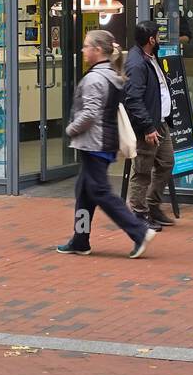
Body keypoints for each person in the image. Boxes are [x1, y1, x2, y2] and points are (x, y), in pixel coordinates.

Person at [57, 30, 157, 259]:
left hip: (95, 143)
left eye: (86, 46)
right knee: (84, 191)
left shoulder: (94, 78)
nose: (83, 50)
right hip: (102, 141)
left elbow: (91, 113)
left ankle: (139, 232)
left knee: (100, 191)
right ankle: (80, 240)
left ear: (98, 50)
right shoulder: (111, 74)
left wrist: (71, 129)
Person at [123, 20, 176, 229]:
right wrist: (147, 127)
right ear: (151, 39)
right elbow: (133, 98)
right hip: (148, 127)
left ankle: (152, 205)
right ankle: (138, 213)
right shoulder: (136, 64)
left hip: (159, 122)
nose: (160, 38)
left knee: (167, 162)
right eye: (158, 35)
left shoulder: (151, 57)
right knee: (142, 170)